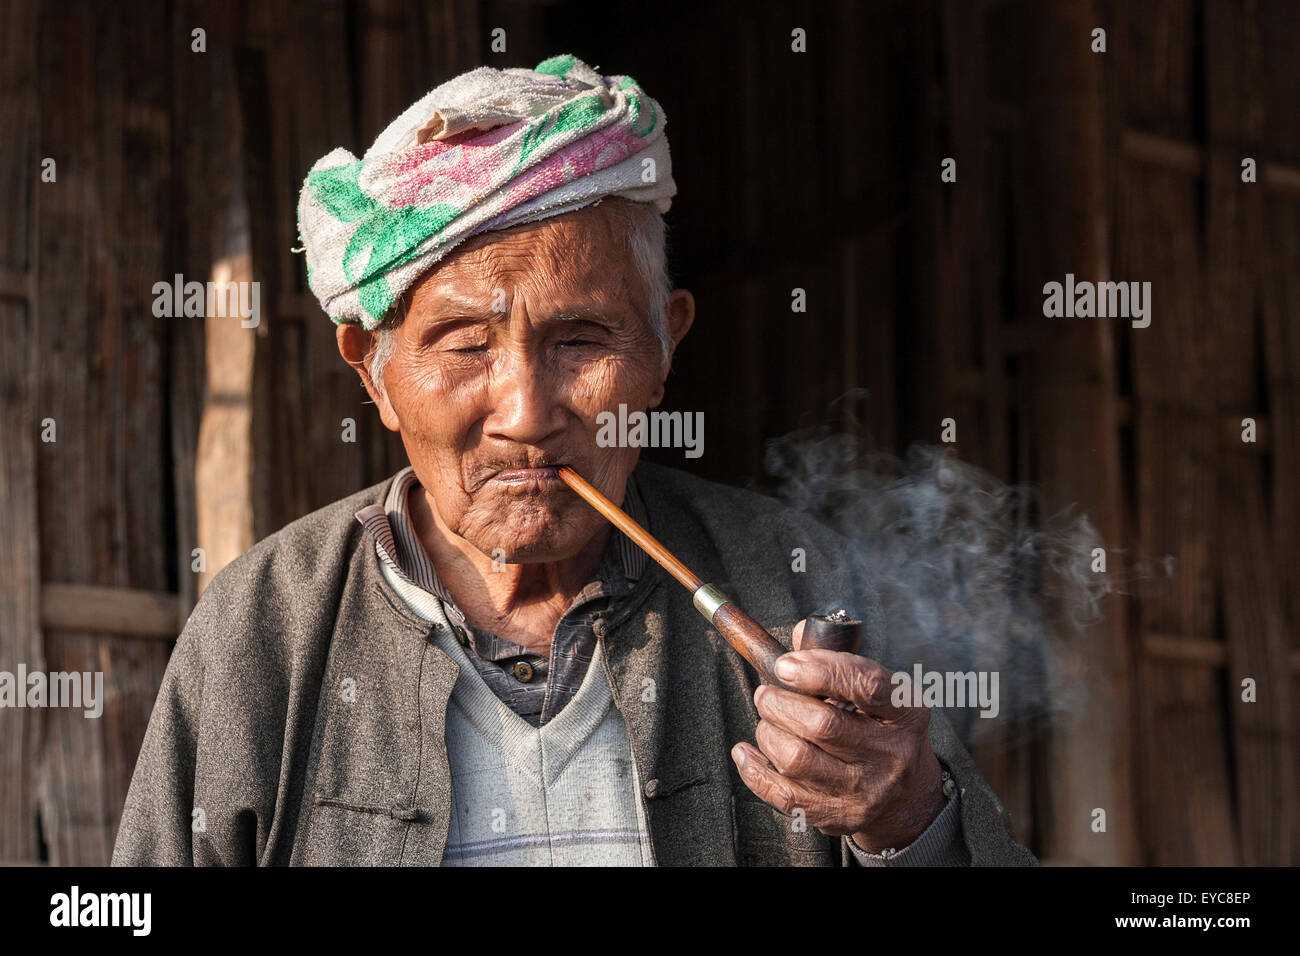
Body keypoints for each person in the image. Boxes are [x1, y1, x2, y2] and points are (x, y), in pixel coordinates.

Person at [112, 55, 1035, 866]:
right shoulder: (259, 632)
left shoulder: (790, 583)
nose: (526, 413)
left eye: (581, 340)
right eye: (465, 345)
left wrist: (910, 823)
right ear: (377, 375)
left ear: (665, 345)